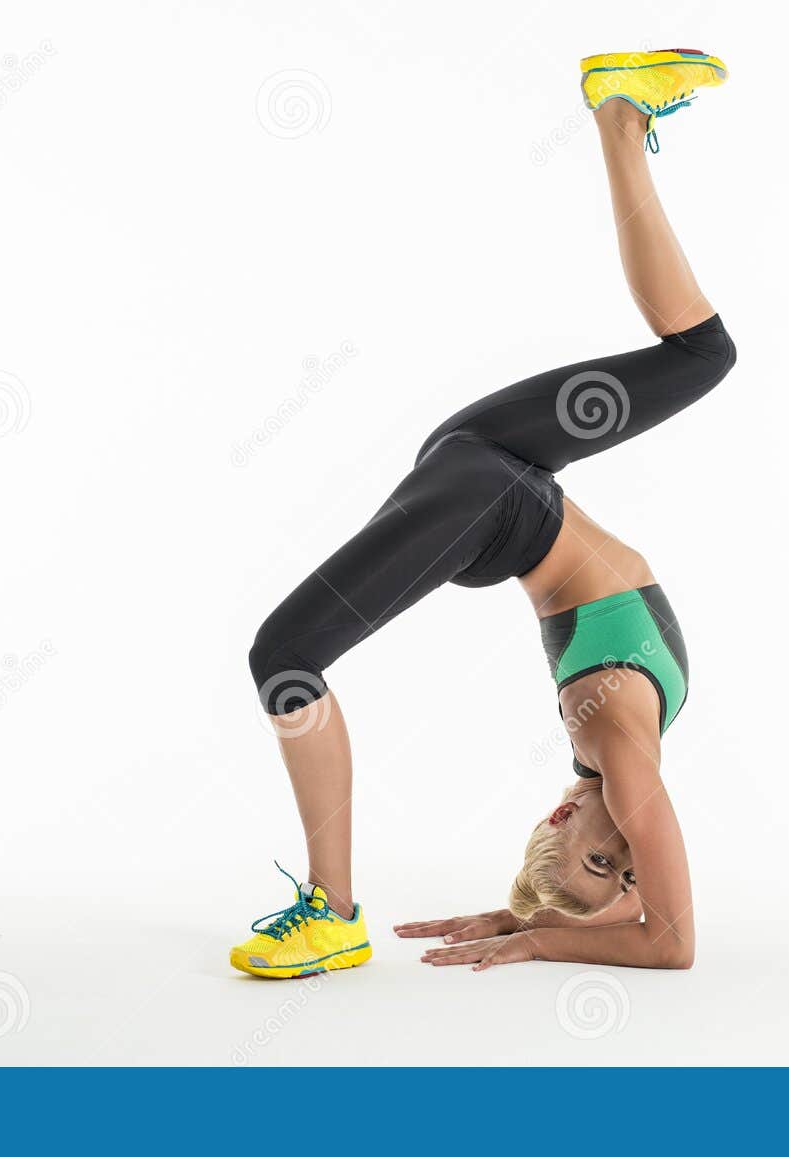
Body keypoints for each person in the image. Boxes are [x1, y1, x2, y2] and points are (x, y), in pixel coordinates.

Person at [234, 49, 735, 977]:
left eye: (597, 858)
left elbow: (659, 937)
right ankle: (618, 113)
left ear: (554, 820)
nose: (625, 838)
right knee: (701, 354)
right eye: (628, 863)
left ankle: (332, 912)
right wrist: (546, 924)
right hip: (498, 474)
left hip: (490, 486)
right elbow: (670, 944)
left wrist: (529, 923)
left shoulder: (616, 738)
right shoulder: (626, 751)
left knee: (285, 657)